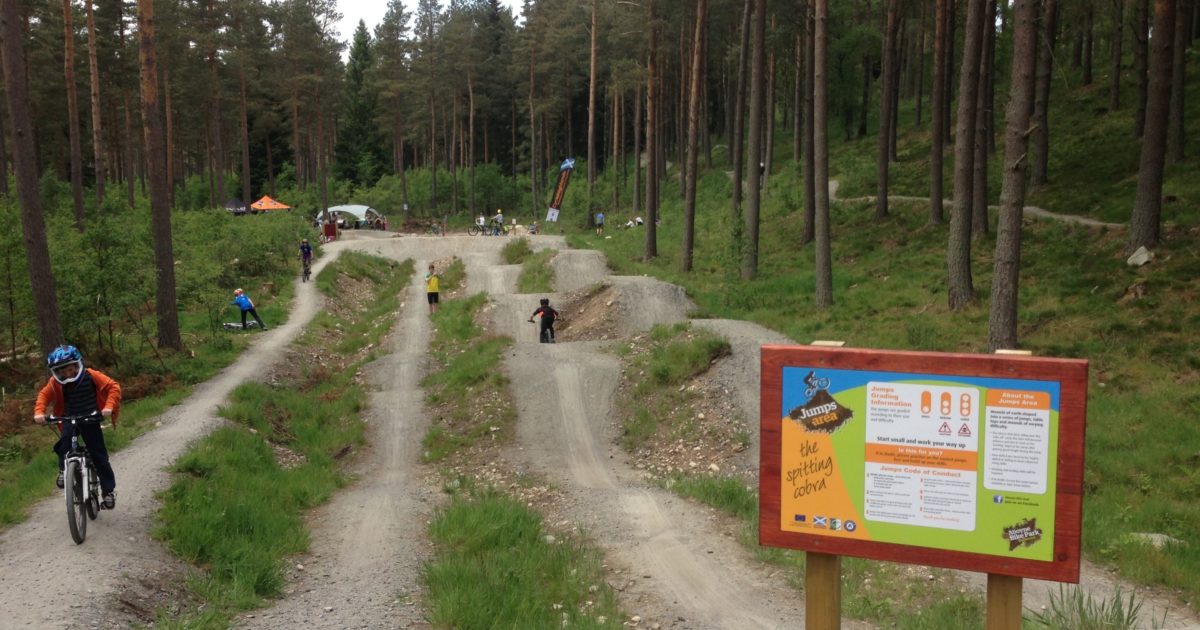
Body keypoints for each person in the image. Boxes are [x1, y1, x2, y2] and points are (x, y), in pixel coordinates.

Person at [33, 345, 121, 509]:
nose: (66, 374)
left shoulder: (91, 375)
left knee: (99, 456)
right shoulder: (55, 382)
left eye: (69, 369)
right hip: (68, 418)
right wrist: (39, 412)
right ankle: (63, 470)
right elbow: (44, 395)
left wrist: (108, 407)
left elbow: (113, 387)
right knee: (64, 445)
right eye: (61, 371)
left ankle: (108, 491)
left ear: (77, 365)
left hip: (90, 418)